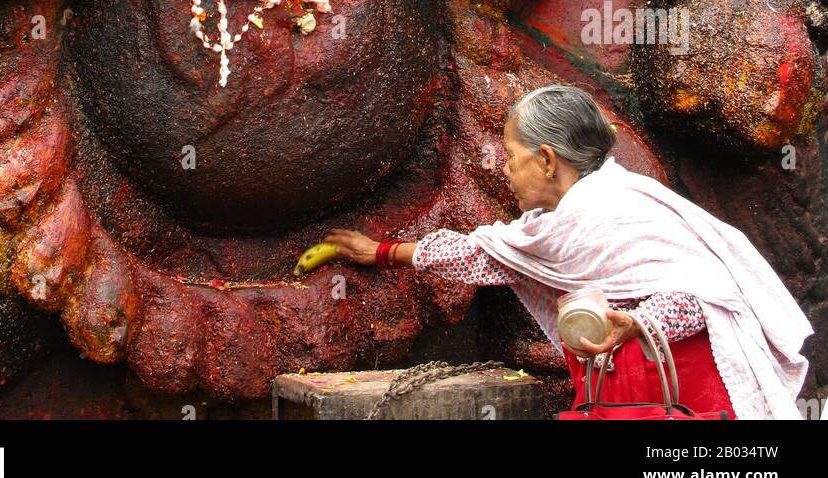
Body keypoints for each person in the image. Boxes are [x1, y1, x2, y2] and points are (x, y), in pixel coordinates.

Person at [327, 84, 812, 419]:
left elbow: (703, 297)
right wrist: (385, 252)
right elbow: (482, 256)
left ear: (545, 159)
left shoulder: (618, 206)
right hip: (616, 397)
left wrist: (638, 323)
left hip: (687, 400)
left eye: (512, 160)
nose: (507, 173)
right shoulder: (556, 228)